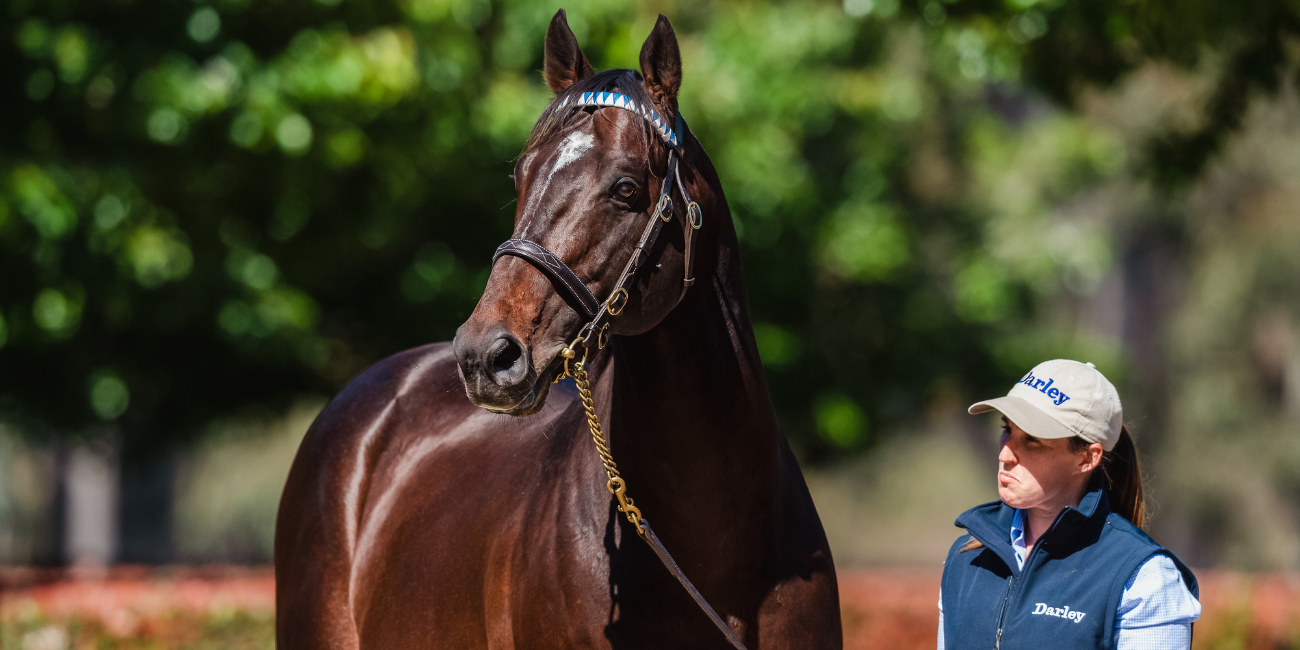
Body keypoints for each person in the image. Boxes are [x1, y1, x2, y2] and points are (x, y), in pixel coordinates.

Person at [938, 359, 1200, 650]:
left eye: (1033, 440)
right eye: (1007, 429)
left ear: (1087, 458)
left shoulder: (1145, 578)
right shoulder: (965, 558)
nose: (1005, 454)